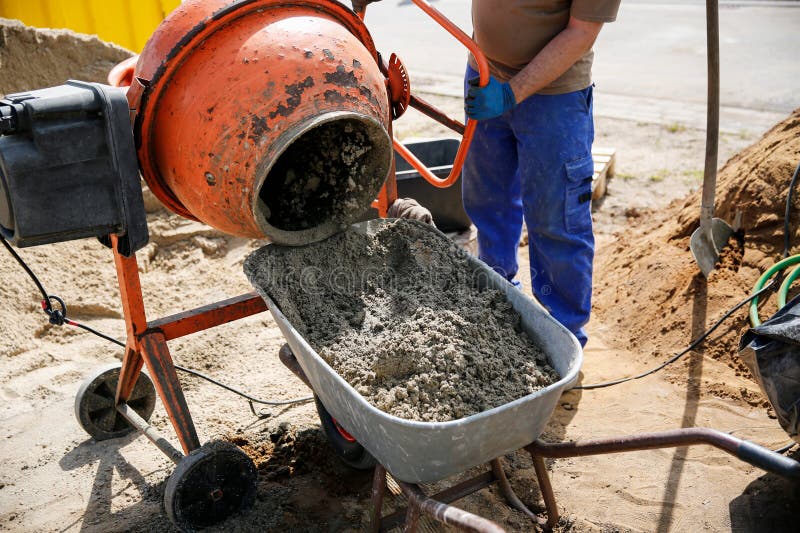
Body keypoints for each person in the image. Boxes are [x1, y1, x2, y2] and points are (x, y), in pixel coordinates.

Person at [462, 1, 620, 347]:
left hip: (554, 97)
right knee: (488, 199)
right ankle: (497, 296)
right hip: (484, 74)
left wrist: (511, 93)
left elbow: (581, 32)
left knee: (555, 218)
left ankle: (563, 338)